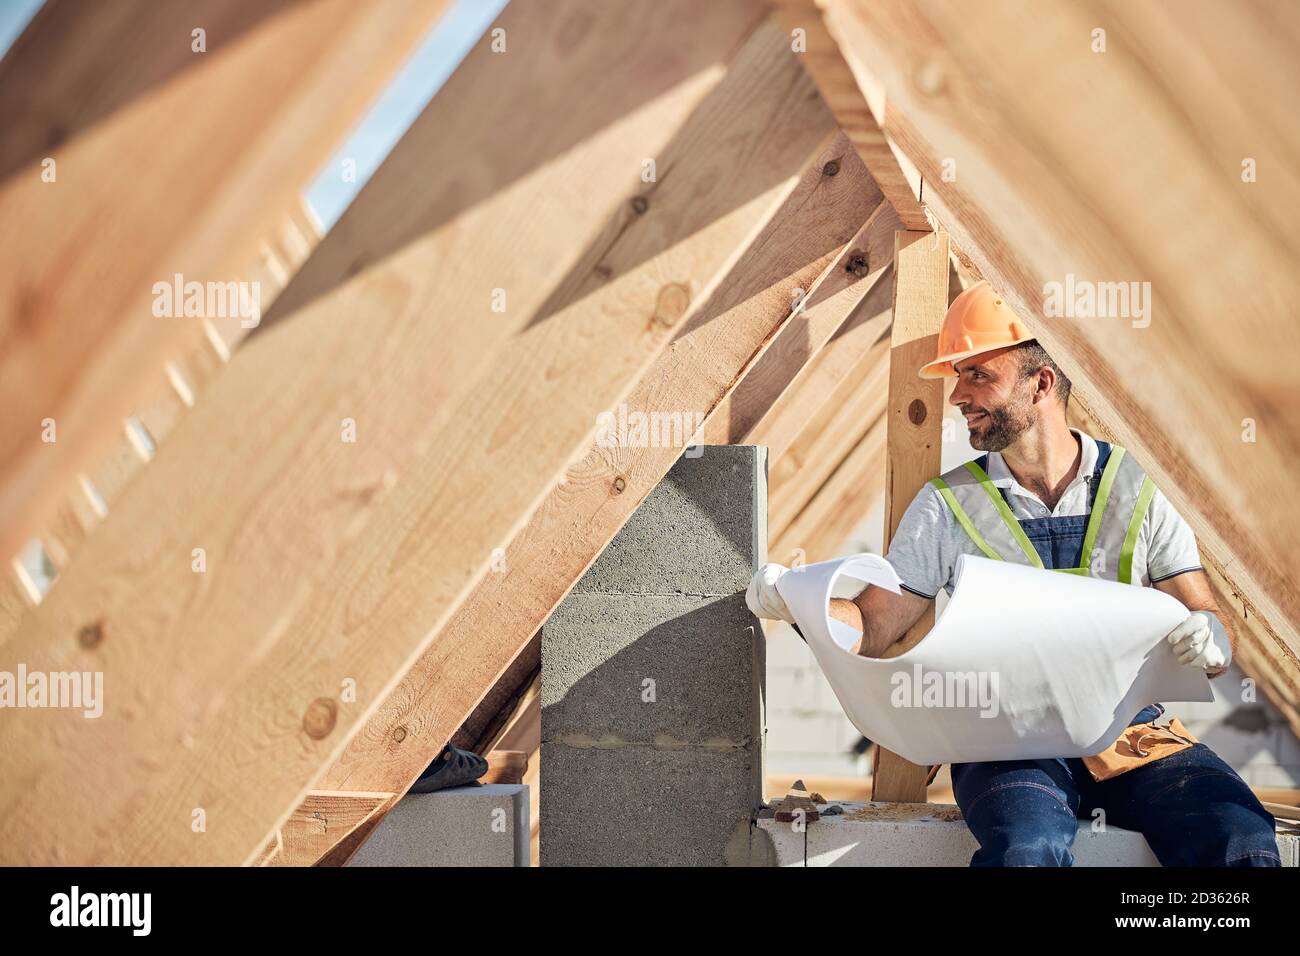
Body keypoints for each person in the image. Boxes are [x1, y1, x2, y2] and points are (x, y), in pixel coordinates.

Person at [747, 280, 1280, 866]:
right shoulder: (948, 504)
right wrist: (801, 601)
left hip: (1130, 734)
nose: (958, 396)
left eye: (979, 375)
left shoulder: (1140, 490)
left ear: (1041, 383)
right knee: (1027, 851)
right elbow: (875, 625)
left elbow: (1202, 613)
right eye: (959, 377)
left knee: (1241, 838)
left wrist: (1212, 636)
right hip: (1004, 739)